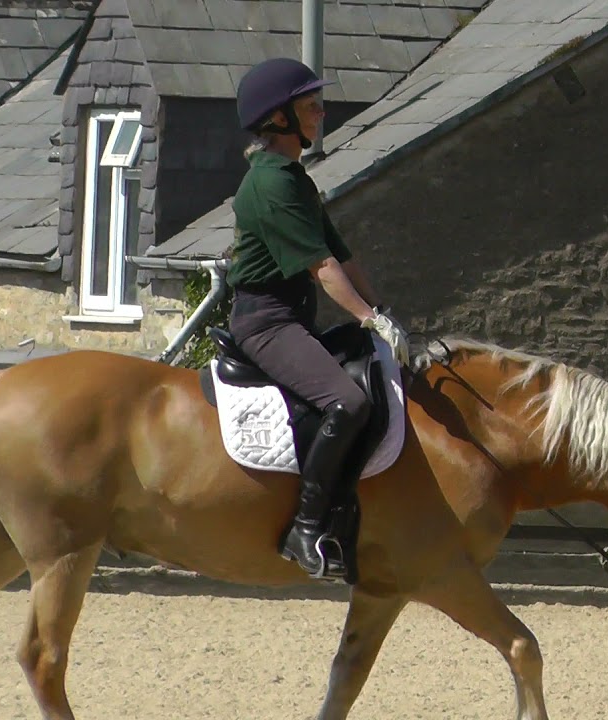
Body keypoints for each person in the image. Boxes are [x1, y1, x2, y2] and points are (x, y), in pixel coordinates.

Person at [226, 57, 409, 579]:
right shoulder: (270, 184)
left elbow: (343, 255)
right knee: (348, 402)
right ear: (277, 120)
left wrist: (380, 315)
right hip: (266, 323)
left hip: (291, 320)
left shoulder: (294, 178)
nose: (321, 113)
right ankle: (304, 527)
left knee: (371, 371)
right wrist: (368, 319)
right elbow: (322, 268)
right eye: (311, 106)